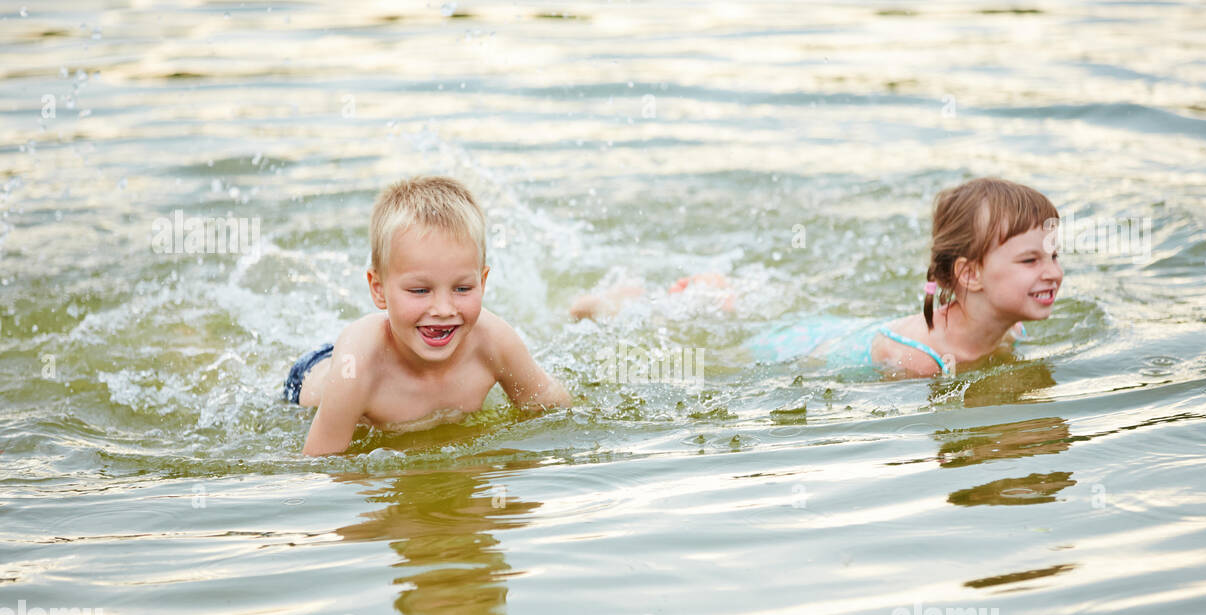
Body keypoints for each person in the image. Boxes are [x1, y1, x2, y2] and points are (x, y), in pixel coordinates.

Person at [569, 177, 1062, 378]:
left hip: (836, 326)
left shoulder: (1009, 328)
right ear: (970, 274)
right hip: (796, 349)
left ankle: (720, 297)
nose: (1052, 273)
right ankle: (615, 305)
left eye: (1054, 256)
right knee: (707, 349)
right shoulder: (920, 363)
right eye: (1030, 261)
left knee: (725, 318)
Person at [284, 176, 570, 456]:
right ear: (379, 289)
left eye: (462, 288)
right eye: (420, 290)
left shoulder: (494, 340)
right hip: (316, 374)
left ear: (482, 283)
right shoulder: (357, 364)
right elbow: (321, 465)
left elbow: (556, 414)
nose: (444, 310)